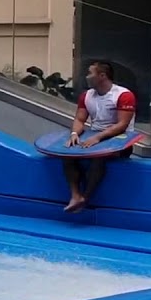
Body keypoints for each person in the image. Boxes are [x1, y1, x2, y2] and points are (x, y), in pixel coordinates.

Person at [61, 60, 136, 213]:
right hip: (94, 136)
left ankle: (85, 198)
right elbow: (80, 119)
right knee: (68, 155)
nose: (87, 76)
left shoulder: (124, 95)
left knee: (98, 157)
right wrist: (75, 134)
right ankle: (75, 195)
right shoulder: (86, 95)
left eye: (90, 73)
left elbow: (123, 124)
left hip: (119, 140)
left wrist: (98, 138)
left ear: (102, 76)